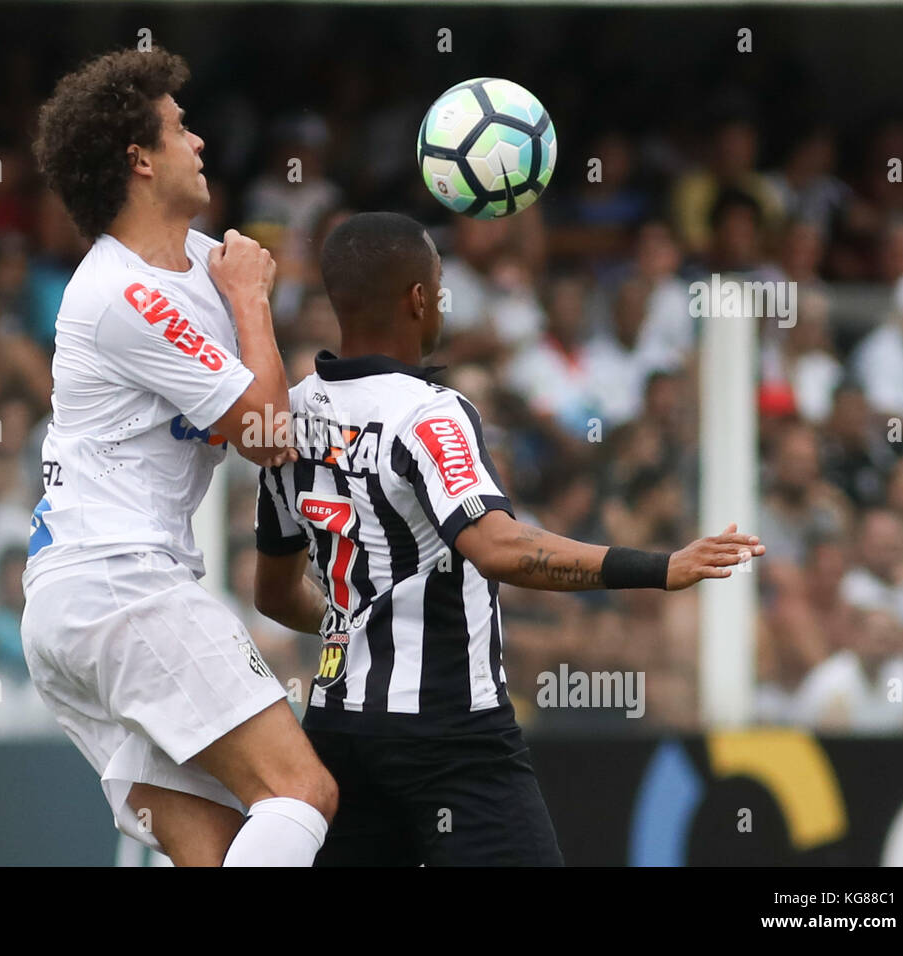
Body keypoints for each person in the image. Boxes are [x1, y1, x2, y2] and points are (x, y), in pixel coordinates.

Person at [251, 211, 765, 866]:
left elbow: (273, 592)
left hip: (338, 728)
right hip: (449, 734)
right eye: (437, 287)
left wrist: (355, 626)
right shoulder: (430, 413)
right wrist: (661, 567)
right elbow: (500, 548)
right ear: (418, 298)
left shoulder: (289, 414)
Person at [21, 47, 337, 867]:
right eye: (180, 128)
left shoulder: (200, 263)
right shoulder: (122, 294)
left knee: (226, 850)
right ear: (140, 159)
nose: (199, 143)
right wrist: (251, 302)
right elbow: (268, 435)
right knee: (301, 793)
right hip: (119, 584)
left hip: (77, 602)